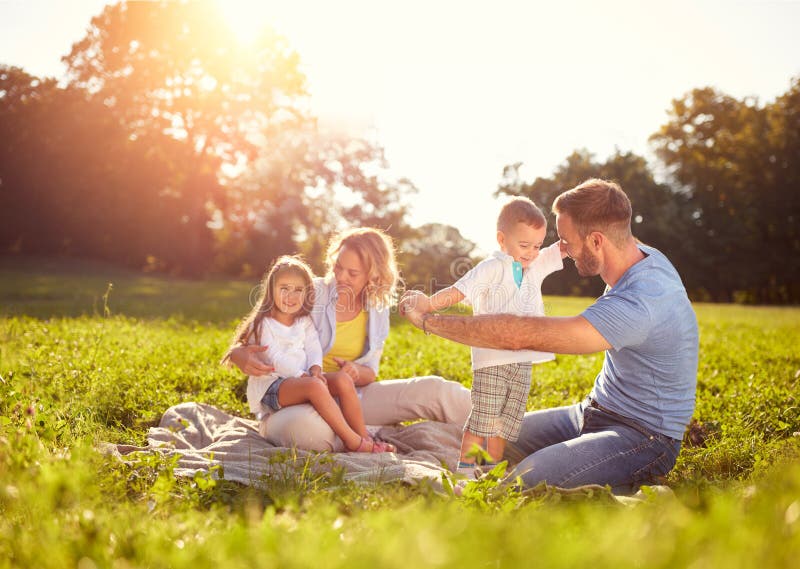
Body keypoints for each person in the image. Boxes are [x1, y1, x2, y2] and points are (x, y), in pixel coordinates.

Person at [400, 179, 699, 494]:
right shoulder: (634, 254)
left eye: (567, 241)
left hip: (643, 437)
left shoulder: (642, 300)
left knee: (525, 481)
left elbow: (517, 336)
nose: (563, 251)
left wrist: (428, 321)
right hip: (591, 411)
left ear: (597, 241)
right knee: (496, 440)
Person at [226, 228, 472, 452]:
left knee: (434, 390)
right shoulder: (309, 290)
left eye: (352, 273)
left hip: (349, 396)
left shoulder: (377, 308)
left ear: (373, 275)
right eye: (338, 267)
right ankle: (362, 439)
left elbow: (370, 373)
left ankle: (501, 426)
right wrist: (239, 355)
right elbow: (254, 329)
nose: (342, 276)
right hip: (294, 405)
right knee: (310, 432)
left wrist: (356, 371)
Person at [410, 197, 565, 477]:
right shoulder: (492, 267)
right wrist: (428, 305)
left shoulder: (534, 266)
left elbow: (560, 249)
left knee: (505, 424)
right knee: (483, 419)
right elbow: (460, 290)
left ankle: (491, 471)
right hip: (492, 359)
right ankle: (466, 470)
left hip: (523, 359)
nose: (531, 253)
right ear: (502, 240)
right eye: (524, 245)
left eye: (537, 246)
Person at [225, 255, 393, 453]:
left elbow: (314, 348)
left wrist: (315, 369)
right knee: (313, 385)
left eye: (298, 290)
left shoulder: (303, 321)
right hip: (272, 386)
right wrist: (303, 376)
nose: (291, 296)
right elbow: (275, 359)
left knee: (342, 380)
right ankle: (354, 443)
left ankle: (364, 436)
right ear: (271, 290)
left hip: (302, 380)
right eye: (284, 289)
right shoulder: (264, 324)